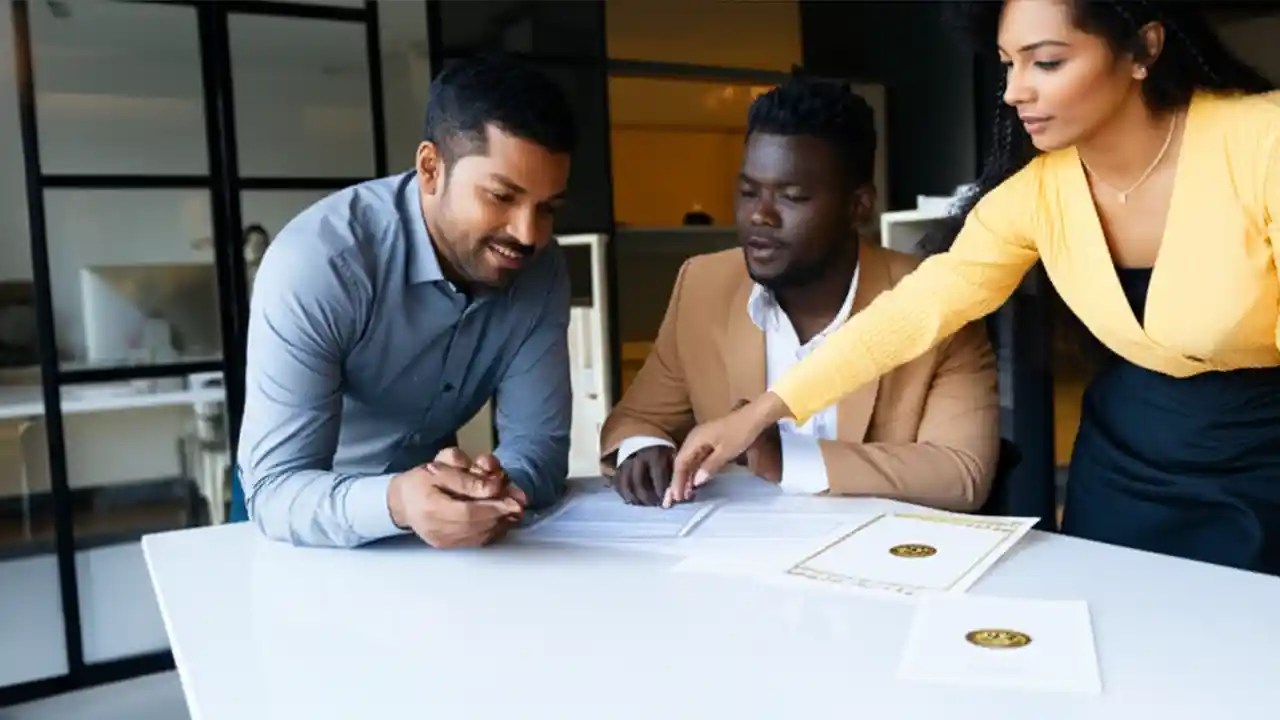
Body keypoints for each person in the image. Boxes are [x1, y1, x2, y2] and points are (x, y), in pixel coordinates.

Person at [668, 0, 1280, 574]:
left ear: (1143, 49)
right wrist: (767, 411)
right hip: (1128, 457)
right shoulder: (1038, 193)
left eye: (1047, 62)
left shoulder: (1262, 144)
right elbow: (916, 310)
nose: (1015, 91)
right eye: (1009, 64)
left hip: (1262, 452)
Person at [601, 79, 1001, 510]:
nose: (760, 215)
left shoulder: (933, 301)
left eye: (792, 197)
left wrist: (786, 459)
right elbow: (637, 419)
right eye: (748, 192)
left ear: (859, 207)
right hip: (732, 561)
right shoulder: (703, 286)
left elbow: (961, 473)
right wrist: (641, 449)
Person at [237, 54, 576, 549]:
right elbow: (274, 489)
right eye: (501, 197)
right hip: (302, 518)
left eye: (547, 208)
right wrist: (398, 502)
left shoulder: (540, 272)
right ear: (431, 168)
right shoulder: (320, 264)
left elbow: (539, 447)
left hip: (436, 526)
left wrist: (493, 492)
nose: (527, 234)